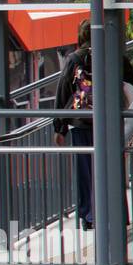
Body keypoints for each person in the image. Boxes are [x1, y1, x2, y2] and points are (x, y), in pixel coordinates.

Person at [53, 20, 96, 231]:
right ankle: (113, 212)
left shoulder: (75, 59)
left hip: (81, 121)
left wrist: (59, 127)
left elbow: (63, 91)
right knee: (109, 166)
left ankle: (88, 215)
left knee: (84, 171)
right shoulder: (111, 54)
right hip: (109, 121)